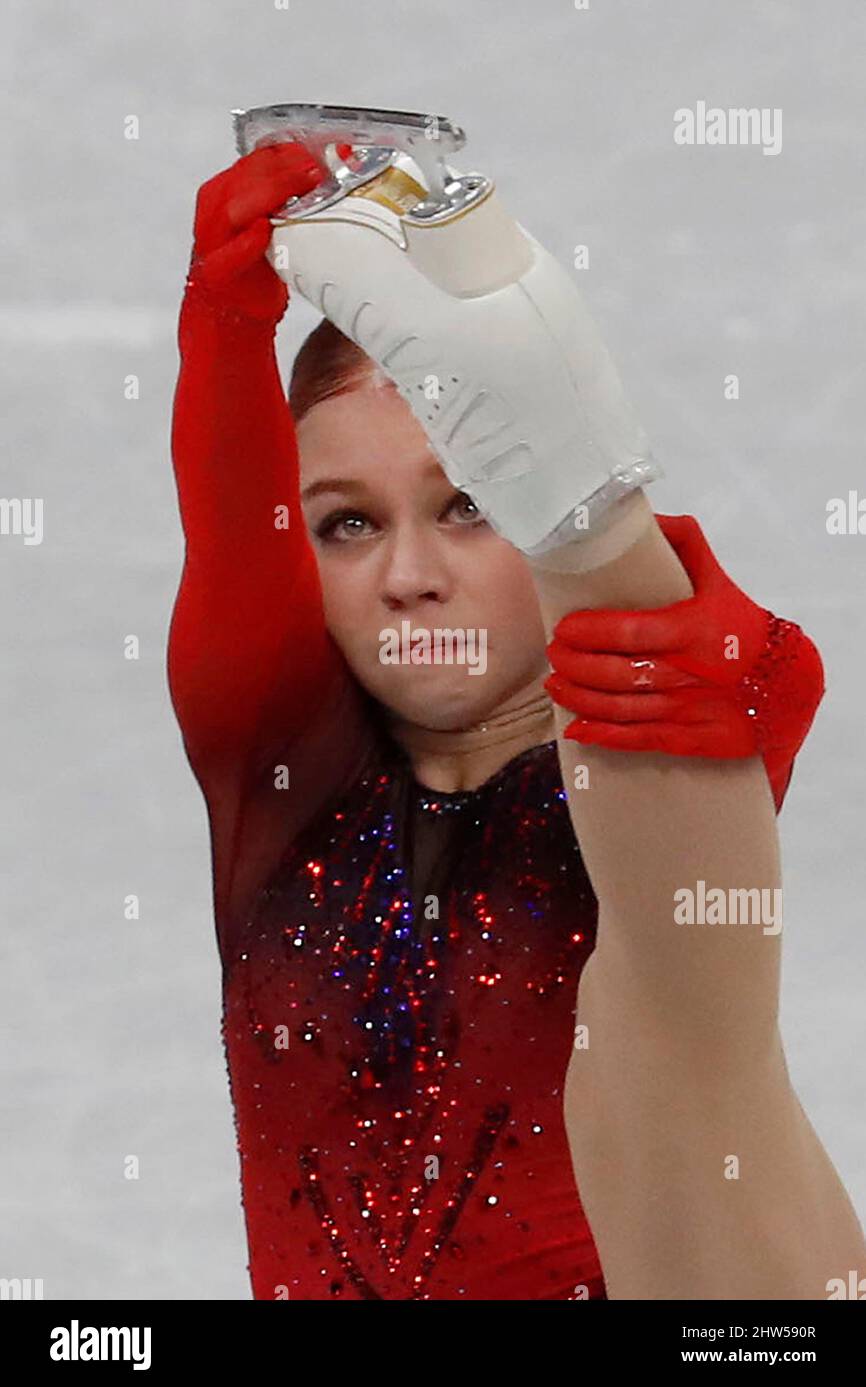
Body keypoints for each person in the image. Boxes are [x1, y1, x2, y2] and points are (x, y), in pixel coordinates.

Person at [168, 143, 864, 1300]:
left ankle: (573, 490)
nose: (407, 574)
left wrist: (620, 575)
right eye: (346, 525)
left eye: (469, 505)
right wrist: (224, 330)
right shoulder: (277, 792)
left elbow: (665, 704)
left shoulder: (641, 784)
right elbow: (234, 551)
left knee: (651, 1024)